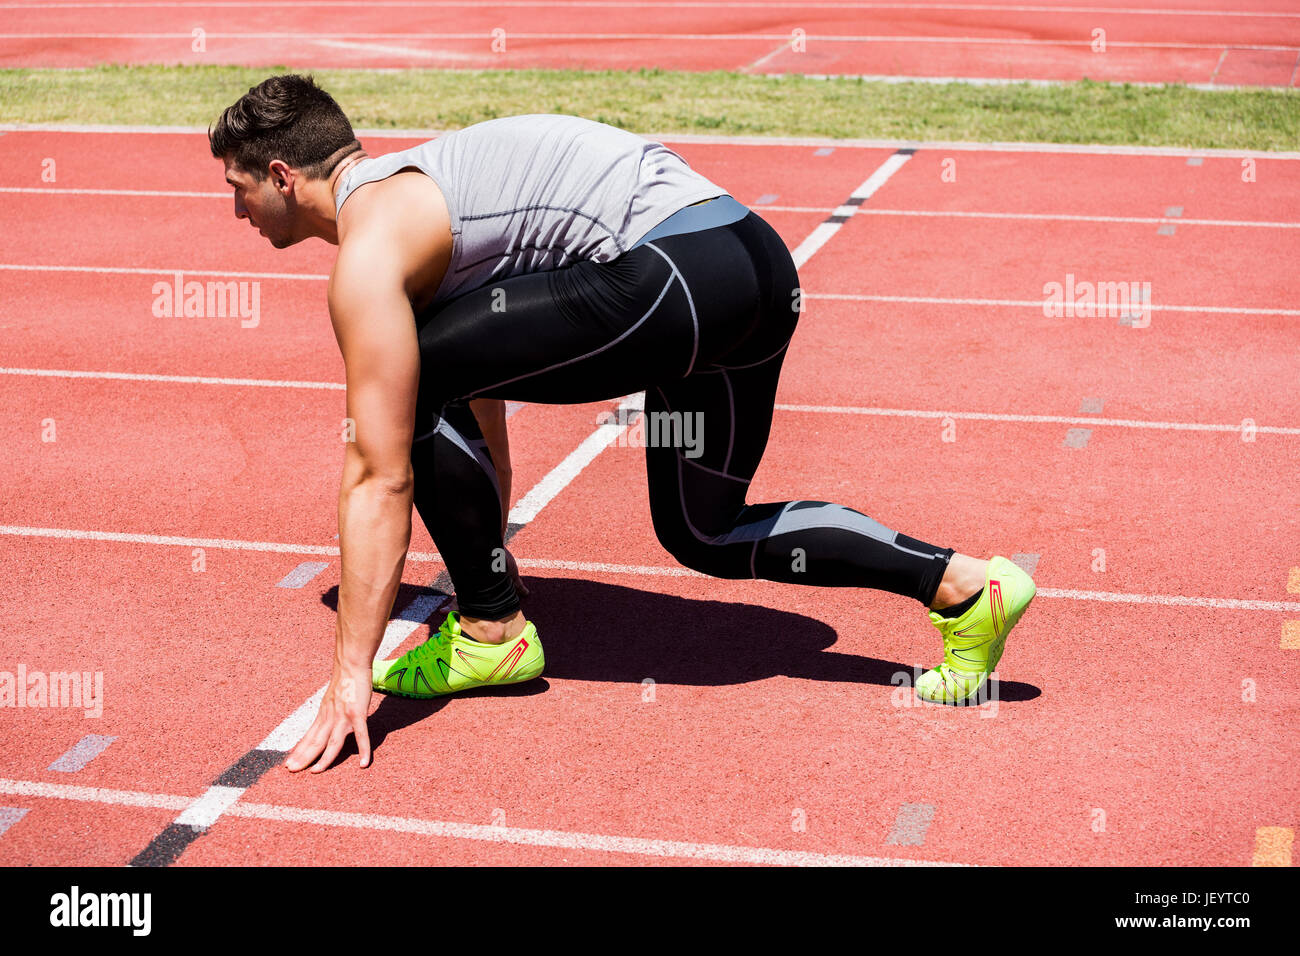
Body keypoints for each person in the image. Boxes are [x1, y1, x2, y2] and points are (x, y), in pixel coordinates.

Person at [210, 74, 1035, 774]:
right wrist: (486, 548)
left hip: (673, 272)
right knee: (702, 532)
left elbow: (379, 470)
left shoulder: (371, 252)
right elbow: (482, 408)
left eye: (235, 187)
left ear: (281, 175)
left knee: (408, 387)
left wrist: (353, 671)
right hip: (751, 262)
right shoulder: (420, 194)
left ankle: (492, 634)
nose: (234, 209)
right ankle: (965, 589)